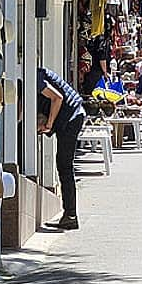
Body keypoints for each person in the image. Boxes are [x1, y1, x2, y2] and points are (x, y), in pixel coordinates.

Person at [38, 67, 86, 230]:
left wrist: (49, 124)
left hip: (72, 117)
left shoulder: (35, 78)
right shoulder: (35, 76)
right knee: (64, 166)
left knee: (64, 166)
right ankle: (69, 215)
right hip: (72, 115)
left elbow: (57, 98)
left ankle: (70, 216)